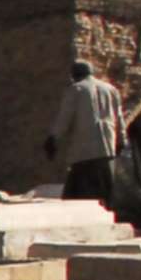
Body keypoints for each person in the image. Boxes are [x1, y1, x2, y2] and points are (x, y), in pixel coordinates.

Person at [45, 58, 126, 201]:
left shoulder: (76, 89)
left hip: (84, 153)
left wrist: (53, 139)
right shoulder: (111, 90)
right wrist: (121, 141)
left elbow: (65, 118)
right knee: (106, 196)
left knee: (77, 198)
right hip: (107, 151)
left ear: (74, 75)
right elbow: (119, 119)